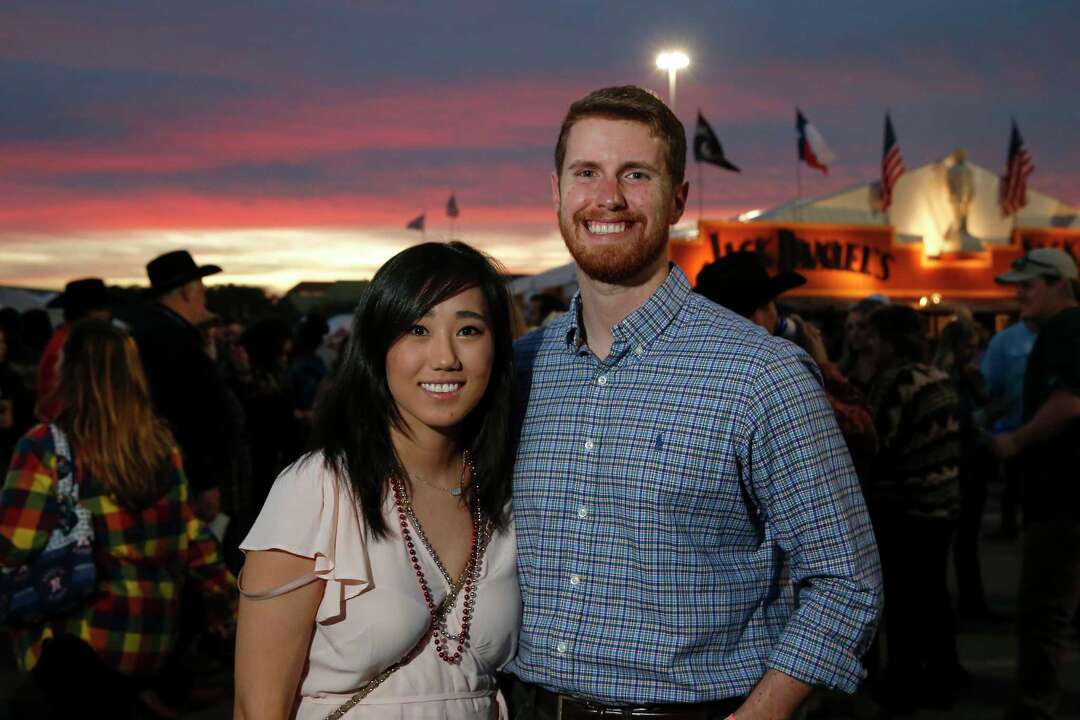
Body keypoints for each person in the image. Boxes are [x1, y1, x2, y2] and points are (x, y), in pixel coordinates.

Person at [509, 85, 881, 720]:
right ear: (557, 192)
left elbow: (846, 582)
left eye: (636, 174)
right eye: (587, 173)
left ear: (678, 196)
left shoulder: (760, 374)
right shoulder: (523, 368)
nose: (609, 198)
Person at [234, 241, 519, 720]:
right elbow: (256, 707)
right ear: (377, 346)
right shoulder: (317, 489)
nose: (445, 357)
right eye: (417, 330)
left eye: (468, 330)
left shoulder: (505, 492)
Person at [0, 320, 235, 718]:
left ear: (68, 372)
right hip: (154, 636)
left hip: (84, 640)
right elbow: (193, 536)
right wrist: (229, 602)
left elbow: (12, 546)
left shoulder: (45, 445)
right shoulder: (161, 445)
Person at [695, 251, 878, 482]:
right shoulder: (772, 378)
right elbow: (861, 433)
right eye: (772, 306)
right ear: (758, 314)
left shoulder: (697, 376)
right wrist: (823, 365)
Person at [861, 305, 965, 712]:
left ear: (888, 341)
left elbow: (877, 444)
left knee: (904, 600)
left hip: (904, 508)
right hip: (942, 504)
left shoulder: (896, 382)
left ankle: (904, 680)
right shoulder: (938, 377)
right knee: (935, 594)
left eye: (873, 337)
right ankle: (943, 675)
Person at [991, 248, 1080, 720]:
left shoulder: (1066, 330)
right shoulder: (1058, 331)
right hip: (1061, 497)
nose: (1018, 292)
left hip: (1061, 500)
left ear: (1061, 284)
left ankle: (1035, 707)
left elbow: (1068, 403)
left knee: (1043, 612)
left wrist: (1015, 442)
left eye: (1029, 284)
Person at [130, 250, 231, 524]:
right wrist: (205, 481)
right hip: (184, 475)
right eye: (202, 291)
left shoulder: (158, 333)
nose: (204, 298)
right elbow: (186, 414)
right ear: (187, 291)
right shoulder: (172, 341)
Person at [36, 278, 116, 421]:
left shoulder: (69, 341)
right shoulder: (68, 347)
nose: (109, 314)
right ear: (87, 312)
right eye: (102, 308)